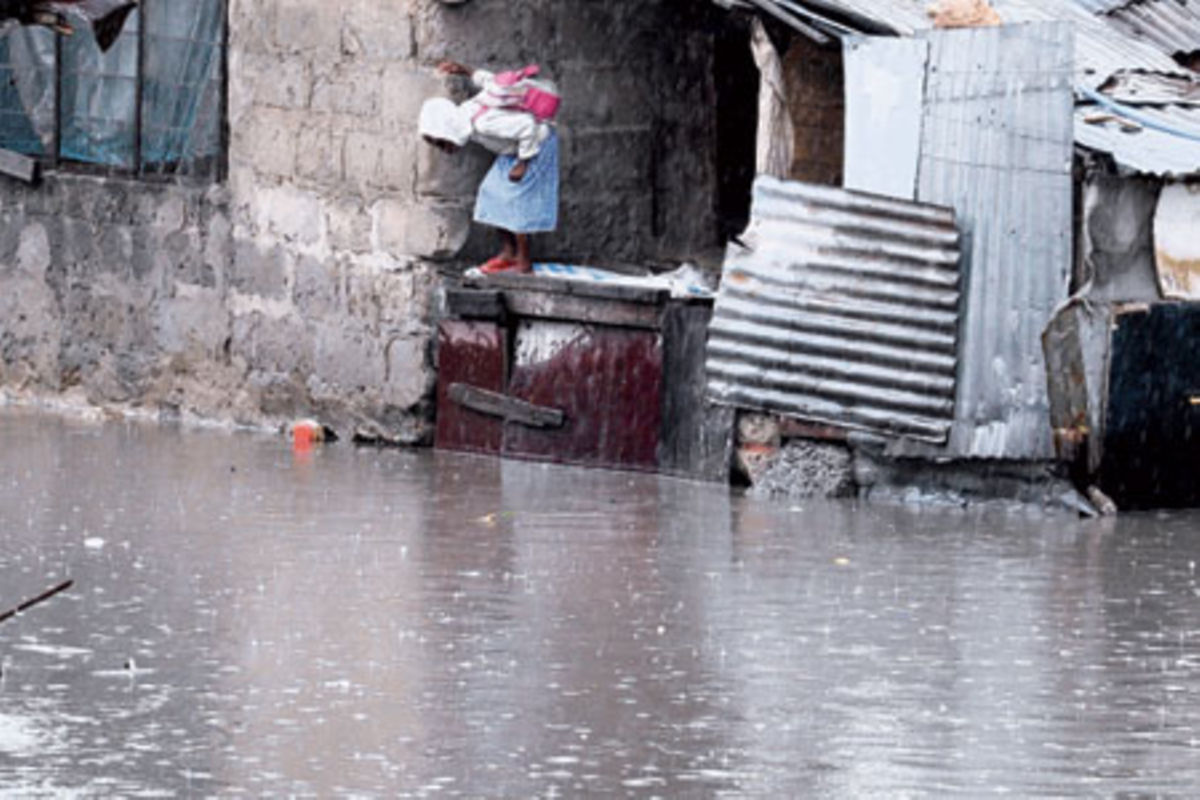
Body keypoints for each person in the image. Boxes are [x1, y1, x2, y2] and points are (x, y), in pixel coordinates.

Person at [418, 60, 560, 275]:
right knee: (491, 193)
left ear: (448, 129)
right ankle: (507, 252)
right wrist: (467, 71)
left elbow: (528, 128)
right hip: (514, 151)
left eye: (442, 142)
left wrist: (523, 164)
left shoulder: (483, 123)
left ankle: (523, 261)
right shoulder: (467, 112)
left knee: (516, 201)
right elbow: (491, 84)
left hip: (535, 146)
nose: (444, 149)